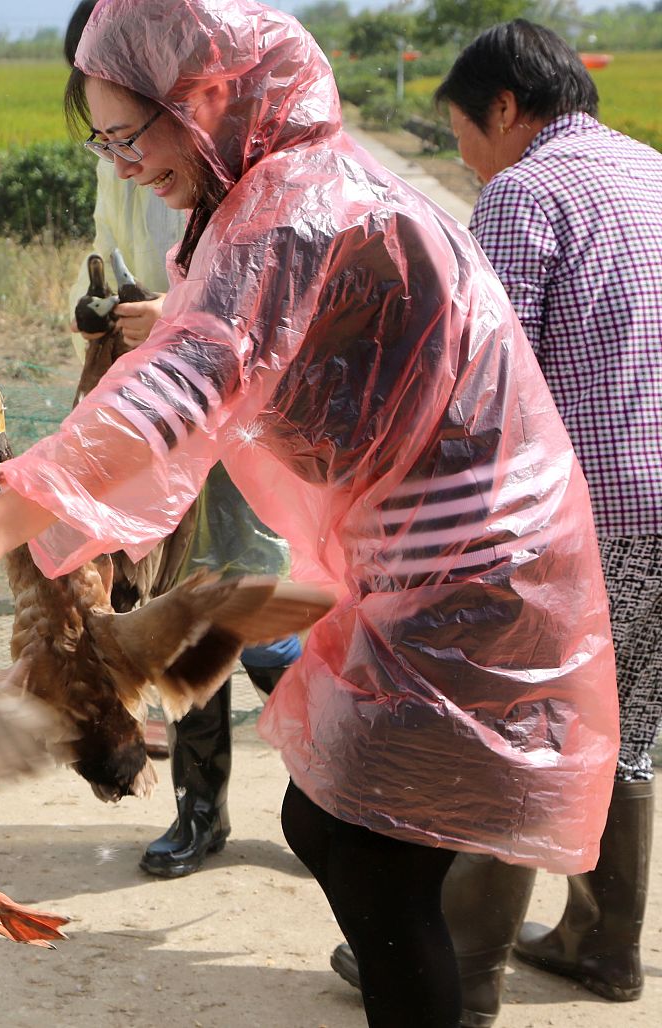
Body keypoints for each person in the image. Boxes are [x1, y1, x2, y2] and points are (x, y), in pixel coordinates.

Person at [0, 3, 620, 1025]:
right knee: (326, 818)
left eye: (128, 135)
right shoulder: (273, 195)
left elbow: (186, 384)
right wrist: (33, 505)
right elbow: (188, 371)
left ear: (204, 97)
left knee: (371, 851)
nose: (122, 164)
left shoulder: (299, 200)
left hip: (474, 570)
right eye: (103, 142)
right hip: (423, 565)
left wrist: (5, 516)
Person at [331, 21, 662, 1018]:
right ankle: (604, 945)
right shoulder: (652, 172)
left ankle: (464, 975)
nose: (467, 158)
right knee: (626, 727)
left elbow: (479, 375)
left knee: (517, 729)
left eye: (463, 135)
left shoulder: (523, 191)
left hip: (583, 512)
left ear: (506, 111)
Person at [63, 0, 303, 880]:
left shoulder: (256, 149)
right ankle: (202, 813)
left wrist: (186, 316)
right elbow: (108, 252)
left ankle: (338, 798)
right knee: (186, 610)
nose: (121, 159)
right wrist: (103, 312)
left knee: (262, 610)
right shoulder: (125, 154)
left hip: (250, 418)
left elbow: (282, 292)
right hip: (169, 412)